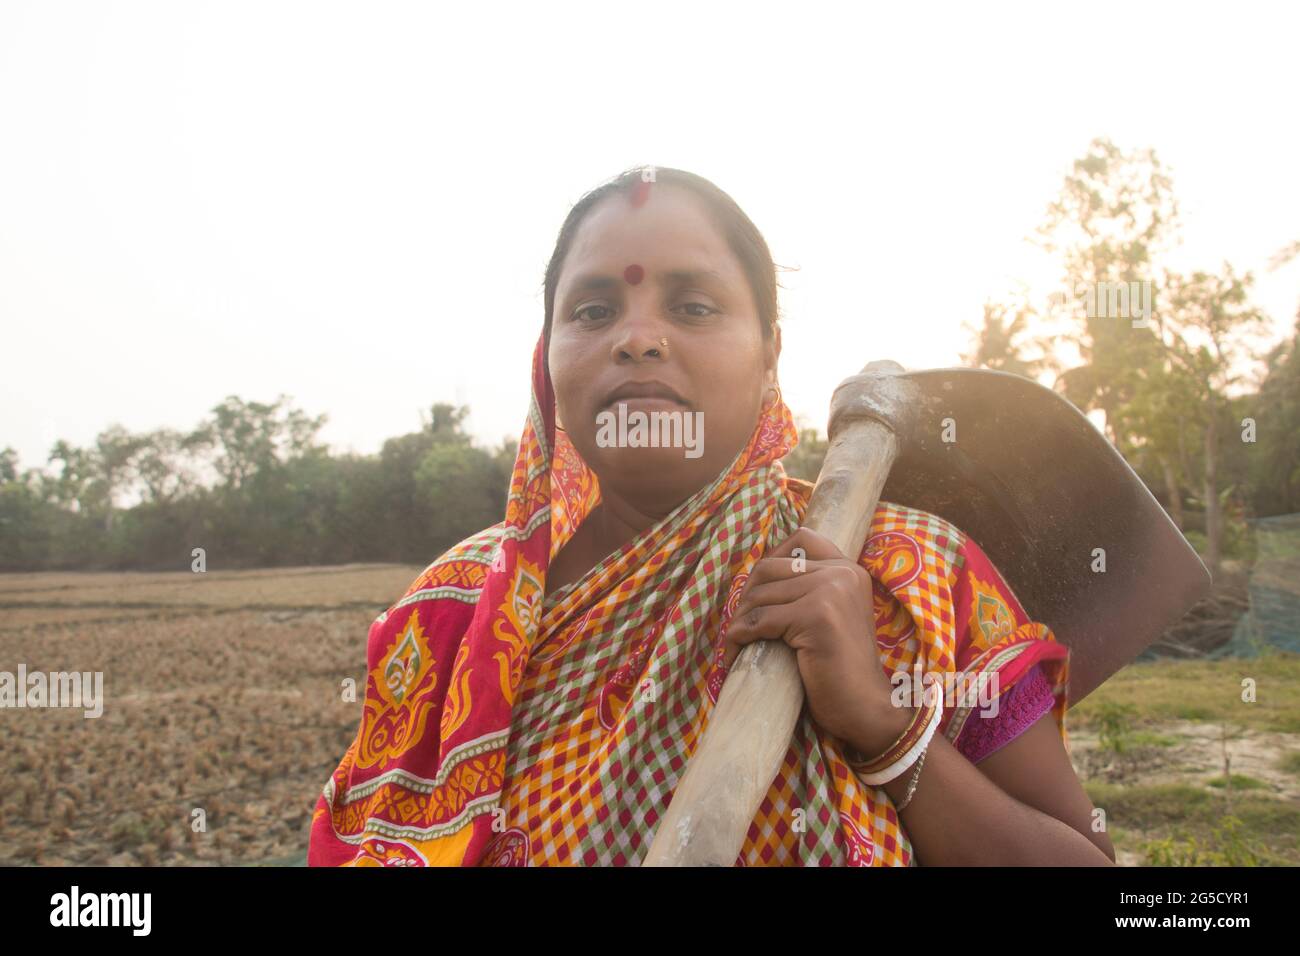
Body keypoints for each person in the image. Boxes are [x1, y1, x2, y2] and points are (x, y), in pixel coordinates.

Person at [307, 166, 1116, 866]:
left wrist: (880, 722)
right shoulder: (450, 614)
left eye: (692, 307)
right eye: (592, 311)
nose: (639, 339)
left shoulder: (912, 577)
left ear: (769, 351)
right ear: (546, 359)